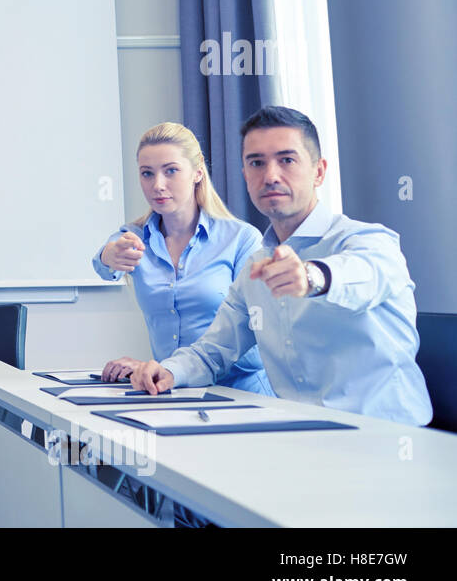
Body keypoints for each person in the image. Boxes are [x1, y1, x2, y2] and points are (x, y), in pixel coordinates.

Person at [126, 106, 432, 426]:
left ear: (319, 172)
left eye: (287, 160)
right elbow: (212, 350)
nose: (270, 175)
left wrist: (312, 276)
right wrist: (169, 370)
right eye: (257, 163)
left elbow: (365, 273)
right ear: (245, 175)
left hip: (385, 439)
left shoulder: (369, 241)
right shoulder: (256, 268)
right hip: (300, 436)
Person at [94, 122, 273, 396]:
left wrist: (173, 369)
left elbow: (255, 334)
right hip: (175, 394)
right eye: (147, 174)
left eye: (171, 171)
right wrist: (109, 256)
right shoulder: (136, 237)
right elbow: (104, 260)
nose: (158, 185)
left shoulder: (241, 239)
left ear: (197, 171)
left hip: (242, 394)